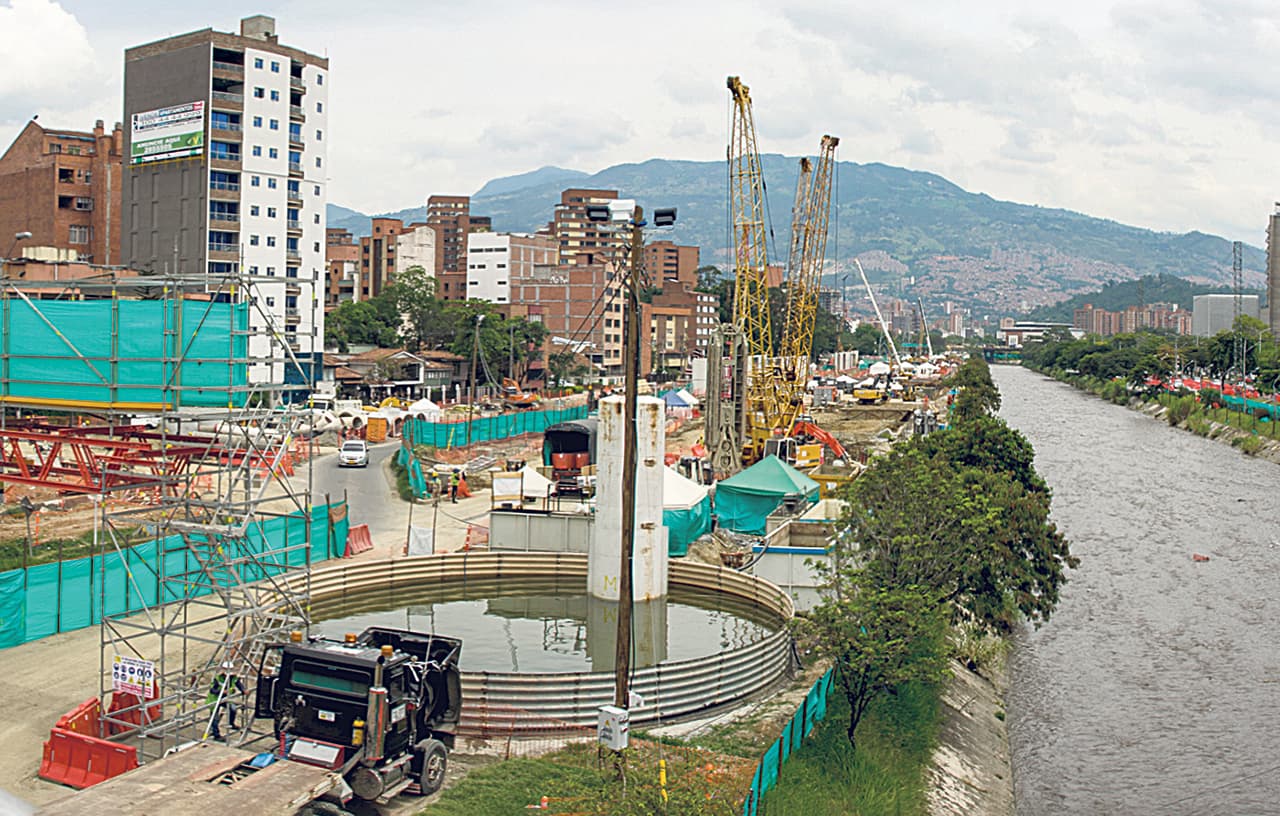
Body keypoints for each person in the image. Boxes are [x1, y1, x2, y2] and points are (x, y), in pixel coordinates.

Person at [207, 662, 245, 741]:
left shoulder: (233, 678)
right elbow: (212, 690)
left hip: (225, 699)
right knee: (215, 717)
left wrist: (243, 690)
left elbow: (238, 684)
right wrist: (221, 691)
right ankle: (216, 735)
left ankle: (231, 724)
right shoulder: (217, 678)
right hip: (215, 699)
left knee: (233, 709)